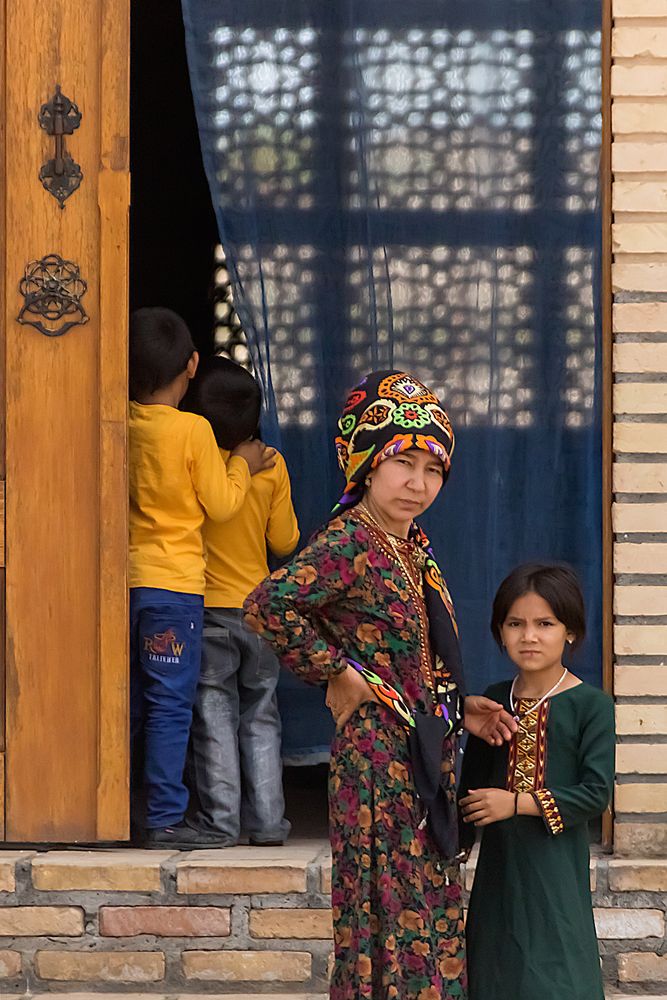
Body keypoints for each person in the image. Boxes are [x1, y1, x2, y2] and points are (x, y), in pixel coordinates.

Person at [244, 369, 516, 1000]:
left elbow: (410, 653)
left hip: (420, 752)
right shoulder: (352, 542)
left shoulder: (410, 546)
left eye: (433, 469)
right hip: (375, 762)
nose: (419, 483)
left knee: (425, 902)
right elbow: (267, 605)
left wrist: (456, 705)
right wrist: (333, 671)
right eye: (404, 463)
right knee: (387, 911)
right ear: (367, 465)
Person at [129, 307, 273, 849]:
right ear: (192, 364)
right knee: (170, 704)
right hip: (176, 591)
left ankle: (114, 805)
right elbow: (221, 505)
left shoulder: (120, 421)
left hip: (126, 583)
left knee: (129, 699)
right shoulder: (193, 430)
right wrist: (243, 463)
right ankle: (165, 816)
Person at [459, 563, 615, 1000]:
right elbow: (467, 794)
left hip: (555, 870)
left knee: (558, 972)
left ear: (571, 632)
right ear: (499, 632)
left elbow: (596, 793)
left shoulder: (591, 706)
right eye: (515, 624)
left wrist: (515, 803)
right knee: (492, 972)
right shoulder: (491, 701)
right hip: (498, 872)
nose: (529, 636)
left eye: (544, 623)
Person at [182, 355, 299, 846]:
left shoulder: (192, 461)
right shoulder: (270, 467)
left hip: (208, 609)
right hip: (259, 611)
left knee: (214, 713)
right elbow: (286, 542)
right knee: (262, 715)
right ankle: (269, 822)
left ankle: (222, 822)